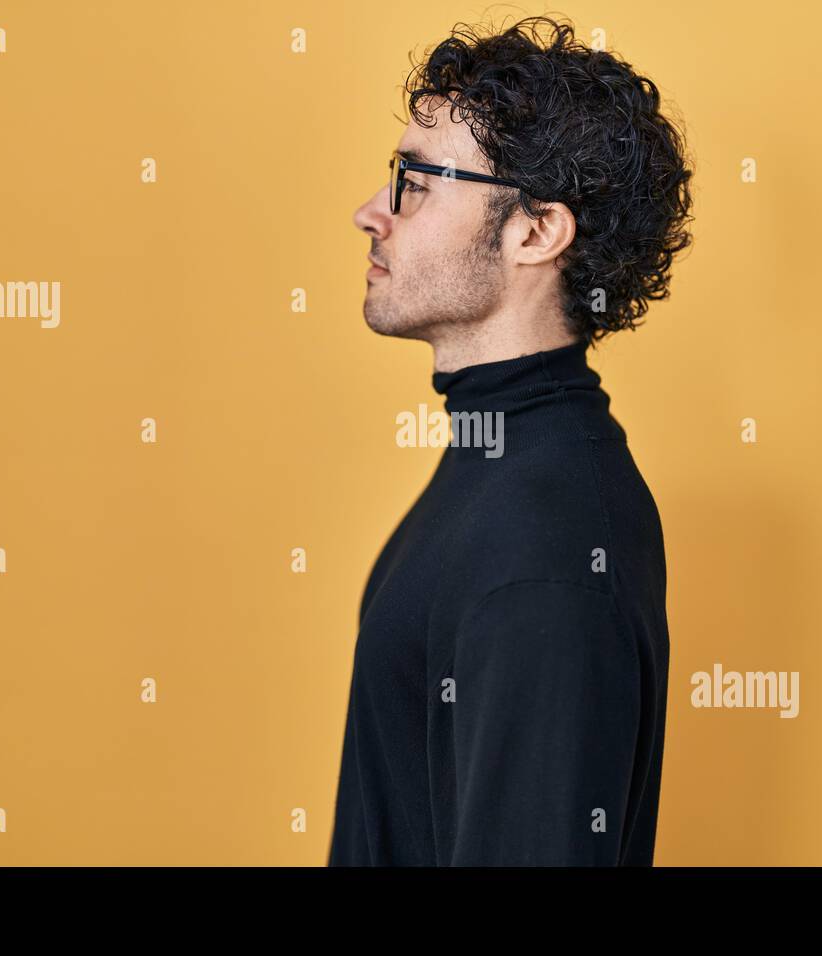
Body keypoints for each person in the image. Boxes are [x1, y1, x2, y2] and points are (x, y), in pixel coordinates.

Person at [328, 15, 693, 866]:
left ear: (536, 232)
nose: (370, 213)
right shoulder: (500, 459)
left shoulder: (548, 543)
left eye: (416, 180)